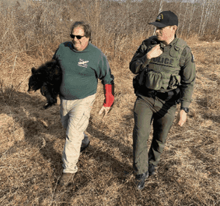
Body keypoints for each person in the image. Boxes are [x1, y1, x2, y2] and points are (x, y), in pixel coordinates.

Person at [129, 11, 195, 190]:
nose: (156, 31)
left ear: (173, 28)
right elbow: (133, 67)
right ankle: (140, 173)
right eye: (155, 28)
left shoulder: (182, 50)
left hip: (167, 102)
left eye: (160, 28)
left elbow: (189, 81)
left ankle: (152, 163)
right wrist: (148, 56)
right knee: (140, 135)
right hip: (145, 98)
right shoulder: (148, 44)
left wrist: (184, 108)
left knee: (160, 138)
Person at [54, 21, 115, 187]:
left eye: (79, 36)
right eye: (72, 36)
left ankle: (68, 170)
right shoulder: (63, 49)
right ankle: (84, 141)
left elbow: (107, 77)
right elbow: (54, 68)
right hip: (65, 99)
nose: (75, 39)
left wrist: (108, 99)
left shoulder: (96, 55)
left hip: (84, 99)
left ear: (88, 37)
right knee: (68, 128)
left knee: (72, 135)